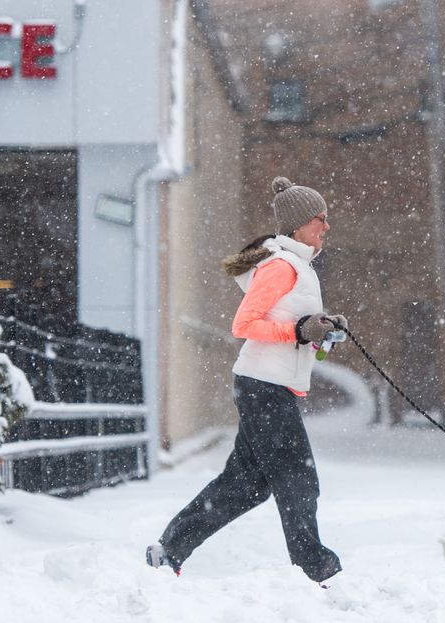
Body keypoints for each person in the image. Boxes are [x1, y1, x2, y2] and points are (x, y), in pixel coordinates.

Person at [146, 176, 345, 586]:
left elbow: (295, 330)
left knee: (247, 485)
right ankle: (315, 568)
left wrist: (321, 332)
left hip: (268, 386)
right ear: (298, 224)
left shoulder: (298, 266)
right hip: (263, 387)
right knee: (298, 477)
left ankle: (170, 550)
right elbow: (244, 324)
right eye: (319, 219)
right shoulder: (279, 267)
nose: (326, 227)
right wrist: (298, 331)